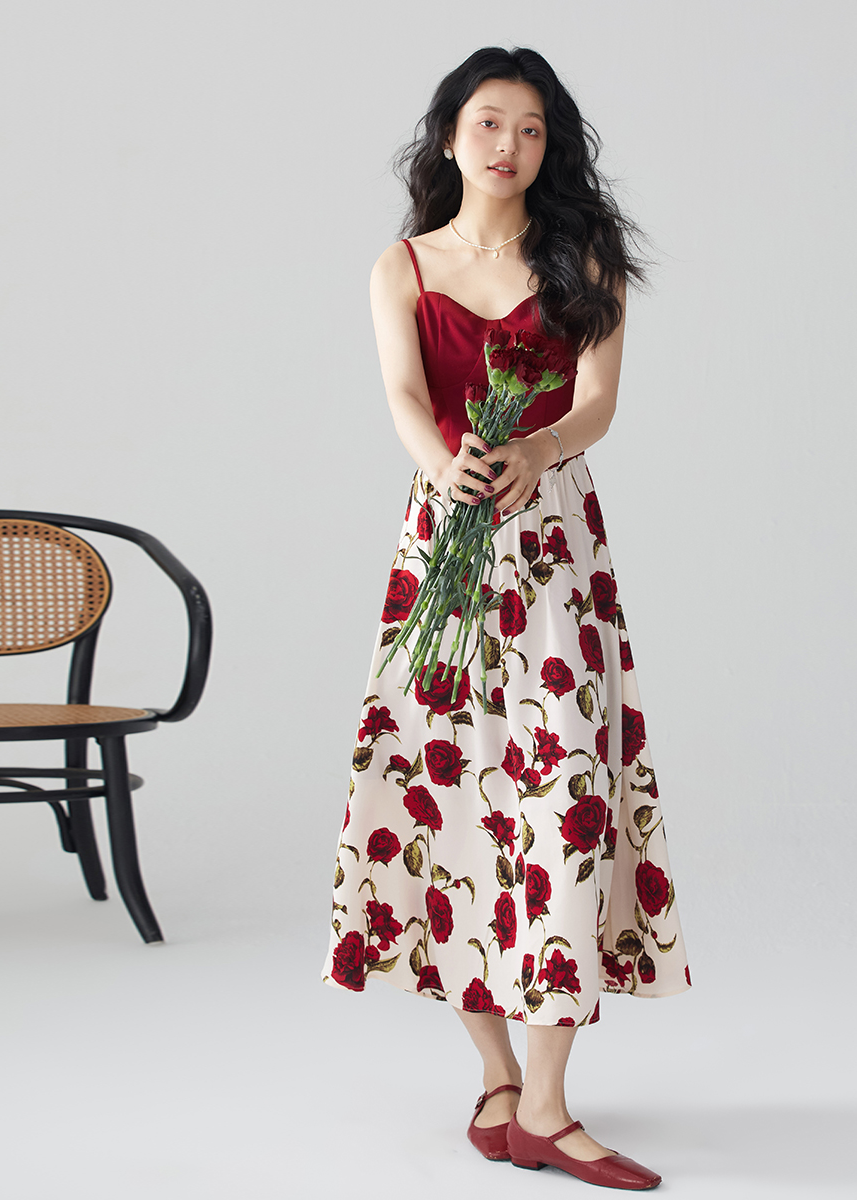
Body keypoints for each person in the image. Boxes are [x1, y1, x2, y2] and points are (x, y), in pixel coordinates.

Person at [322, 46, 690, 1191]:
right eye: (489, 122)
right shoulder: (401, 264)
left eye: (531, 129)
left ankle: (544, 1103)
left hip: (556, 550)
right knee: (445, 800)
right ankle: (497, 1080)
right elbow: (402, 393)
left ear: (549, 146)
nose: (508, 146)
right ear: (449, 135)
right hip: (443, 543)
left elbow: (600, 402)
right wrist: (448, 468)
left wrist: (536, 447)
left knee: (561, 796)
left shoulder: (585, 255)